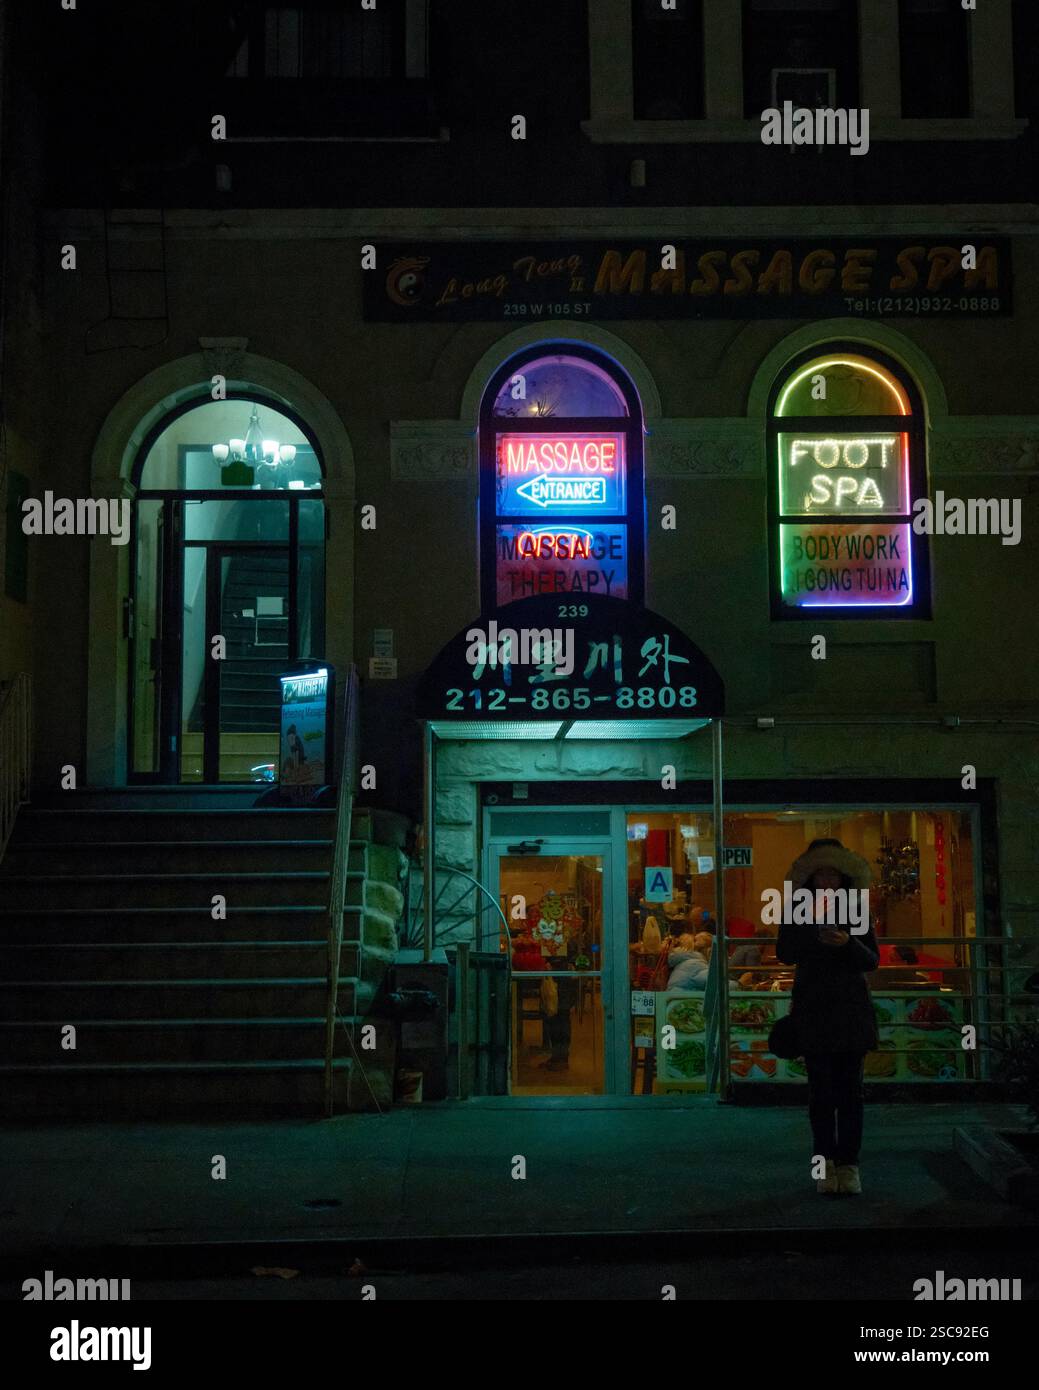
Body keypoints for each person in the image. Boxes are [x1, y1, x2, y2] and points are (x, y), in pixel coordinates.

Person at [776, 838, 879, 1197]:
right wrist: (814, 936)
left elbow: (872, 959)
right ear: (810, 876)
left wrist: (847, 943)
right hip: (813, 1009)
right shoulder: (795, 908)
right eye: (820, 873)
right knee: (820, 1093)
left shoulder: (856, 908)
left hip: (850, 1009)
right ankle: (824, 1166)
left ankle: (849, 1167)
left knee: (850, 1092)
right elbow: (784, 952)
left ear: (844, 877)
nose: (826, 881)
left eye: (833, 874)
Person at [540, 954, 579, 1071]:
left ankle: (559, 1057)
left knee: (557, 1019)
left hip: (561, 978)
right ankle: (559, 1057)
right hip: (563, 977)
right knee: (559, 1019)